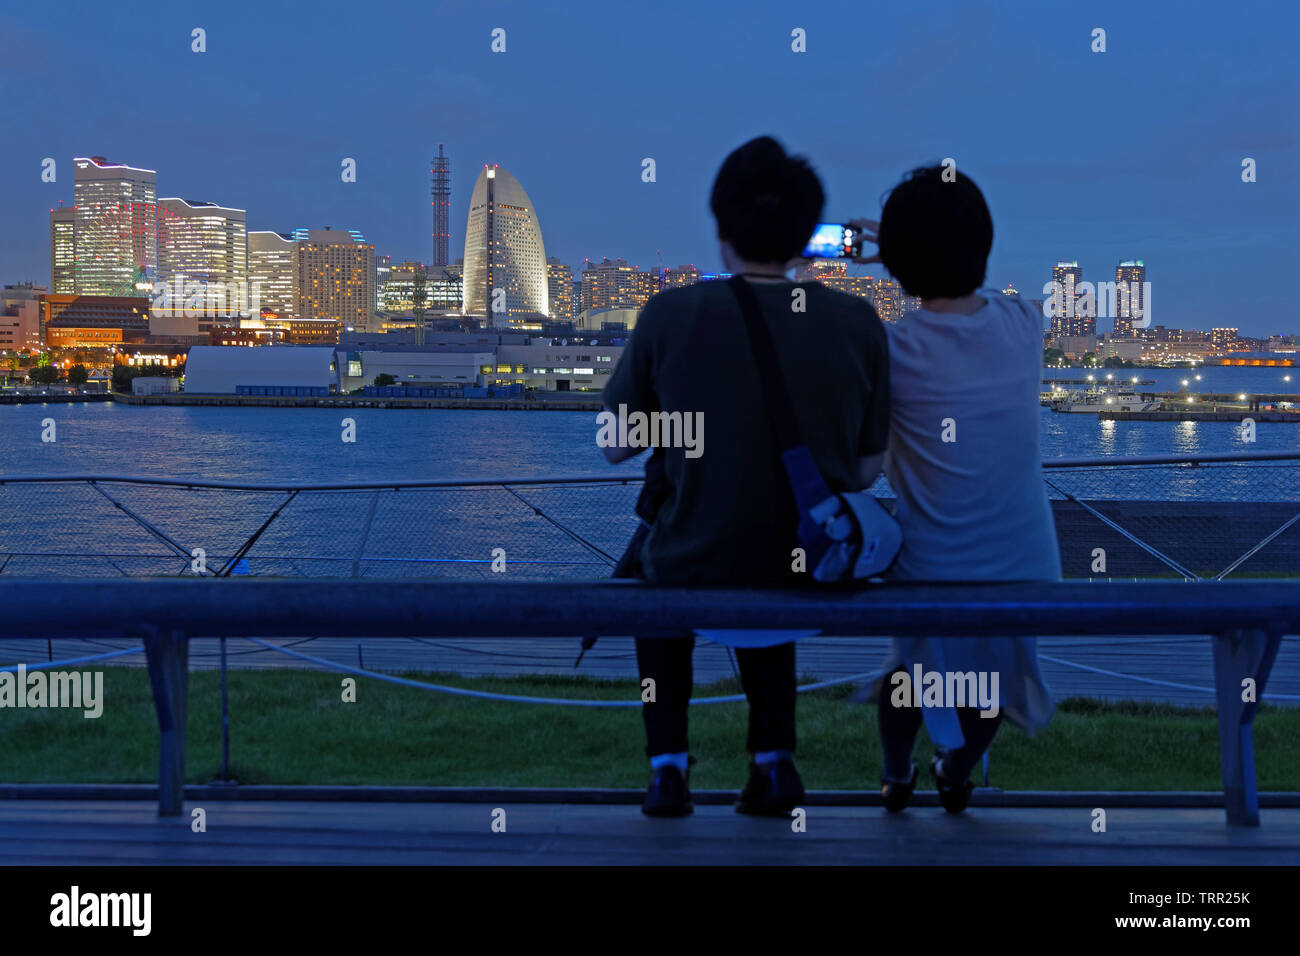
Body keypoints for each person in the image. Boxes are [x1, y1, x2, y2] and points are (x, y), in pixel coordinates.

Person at [600, 136, 891, 817]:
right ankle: (773, 763)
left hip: (691, 562)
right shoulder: (855, 320)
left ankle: (667, 770)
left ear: (721, 226)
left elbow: (614, 445)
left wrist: (687, 431)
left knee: (661, 570)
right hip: (810, 565)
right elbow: (868, 469)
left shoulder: (674, 313)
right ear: (806, 236)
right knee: (776, 553)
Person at [850, 165, 1059, 813]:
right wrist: (912, 245)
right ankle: (957, 772)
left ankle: (896, 770)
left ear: (897, 266)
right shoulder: (1026, 325)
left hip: (932, 568)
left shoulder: (891, 350)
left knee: (910, 680)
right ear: (985, 244)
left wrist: (892, 251)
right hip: (1027, 566)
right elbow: (974, 285)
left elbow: (860, 472)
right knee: (988, 691)